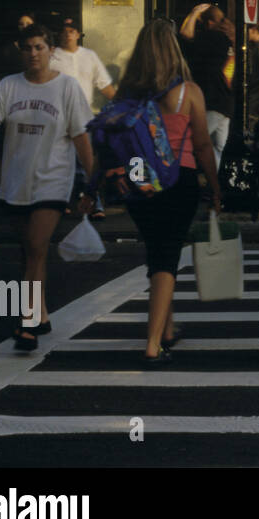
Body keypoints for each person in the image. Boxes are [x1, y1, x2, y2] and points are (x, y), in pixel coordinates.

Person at [0, 25, 93, 351]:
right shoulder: (9, 86)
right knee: (29, 252)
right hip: (15, 182)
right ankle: (41, 314)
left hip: (53, 182)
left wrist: (93, 183)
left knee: (35, 245)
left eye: (39, 47)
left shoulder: (67, 88)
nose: (33, 53)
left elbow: (81, 139)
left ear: (50, 50)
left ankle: (27, 323)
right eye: (28, 48)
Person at [93, 20, 221, 365]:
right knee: (167, 256)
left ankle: (167, 328)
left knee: (158, 251)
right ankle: (152, 343)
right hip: (179, 180)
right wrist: (216, 185)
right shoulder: (187, 92)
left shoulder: (126, 93)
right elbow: (203, 144)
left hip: (140, 181)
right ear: (173, 50)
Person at [51, 17, 116, 219]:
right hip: (58, 117)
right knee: (62, 163)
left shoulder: (89, 56)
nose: (68, 34)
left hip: (83, 118)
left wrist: (121, 105)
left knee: (87, 162)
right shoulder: (52, 57)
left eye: (72, 30)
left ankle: (95, 203)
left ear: (78, 34)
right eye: (65, 30)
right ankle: (61, 202)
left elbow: (104, 84)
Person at [178, 3, 234, 169]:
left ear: (208, 23)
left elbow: (185, 35)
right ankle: (215, 184)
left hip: (211, 102)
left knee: (193, 142)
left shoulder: (209, 38)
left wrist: (194, 12)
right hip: (225, 103)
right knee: (217, 148)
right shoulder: (227, 40)